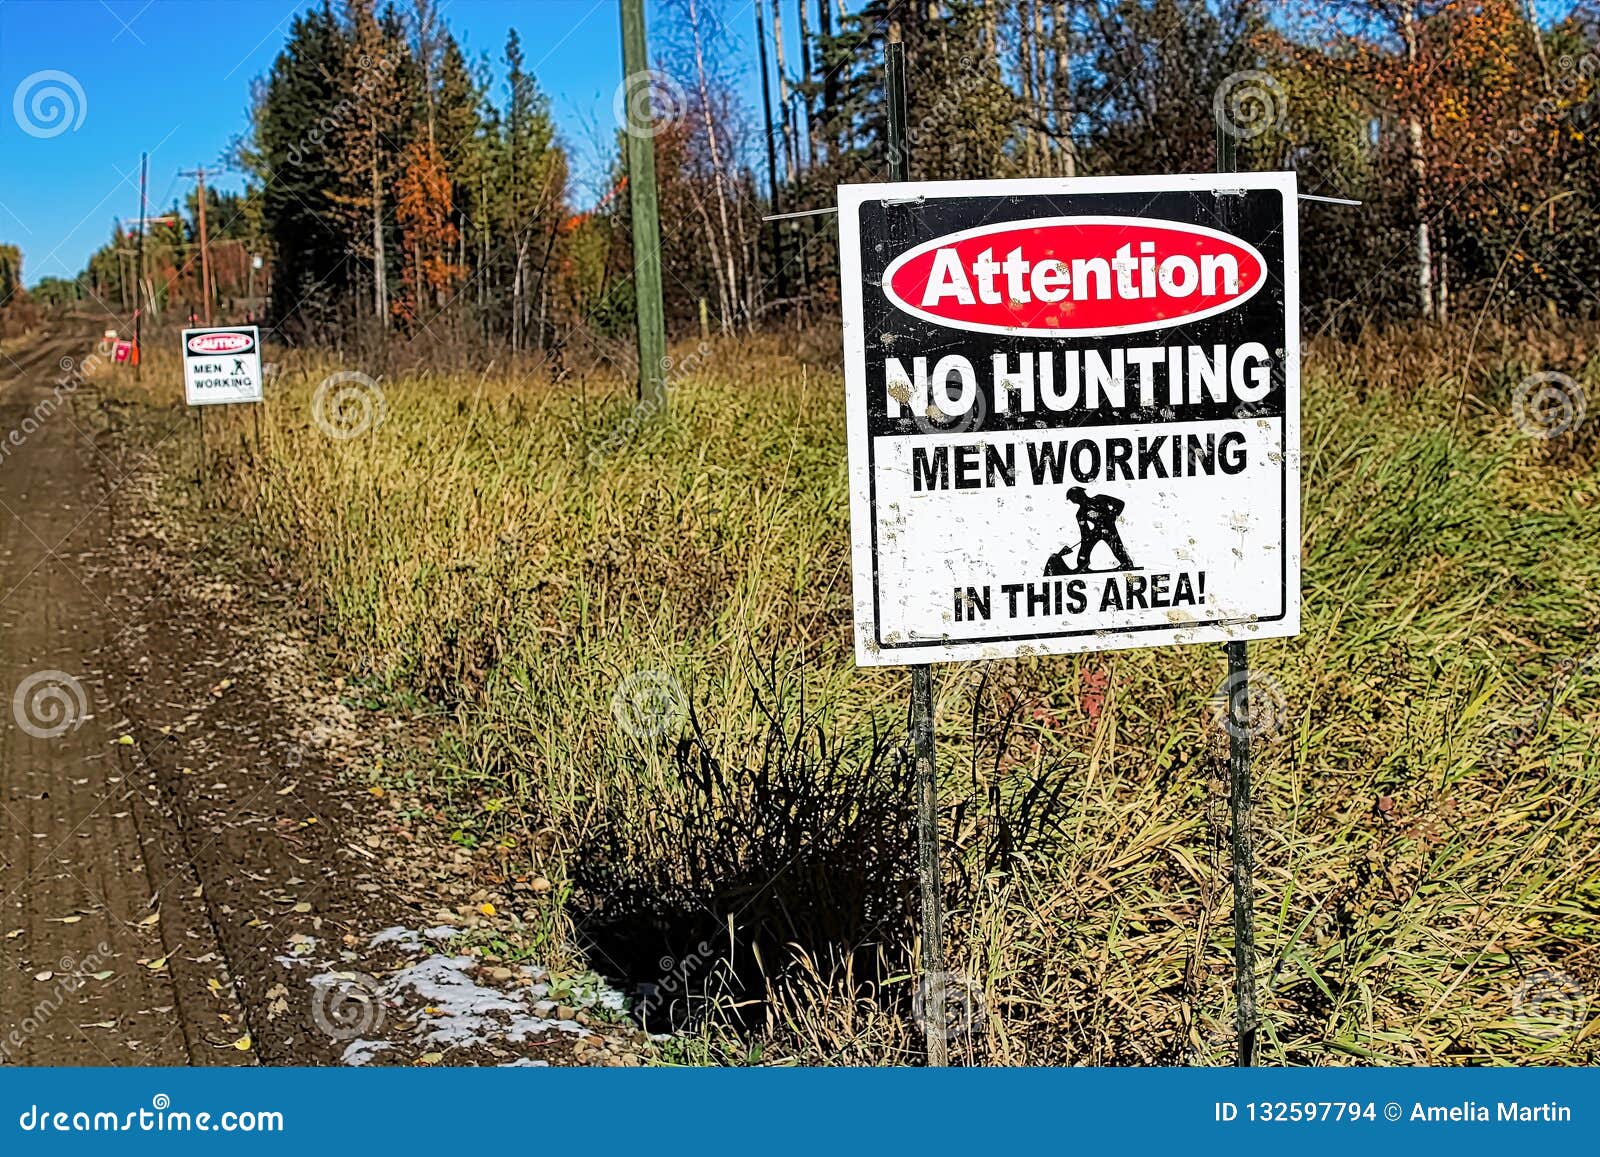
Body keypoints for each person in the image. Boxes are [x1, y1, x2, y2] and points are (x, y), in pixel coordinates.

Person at [1045, 487, 1135, 574]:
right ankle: (1082, 566)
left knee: (1117, 547)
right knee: (1085, 546)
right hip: (1096, 532)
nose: (1074, 501)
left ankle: (1126, 563)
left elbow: (1120, 504)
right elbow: (1085, 532)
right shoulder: (1080, 514)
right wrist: (1086, 538)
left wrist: (1110, 516)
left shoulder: (1100, 498)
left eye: (1074, 498)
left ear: (1080, 495)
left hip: (1109, 530)